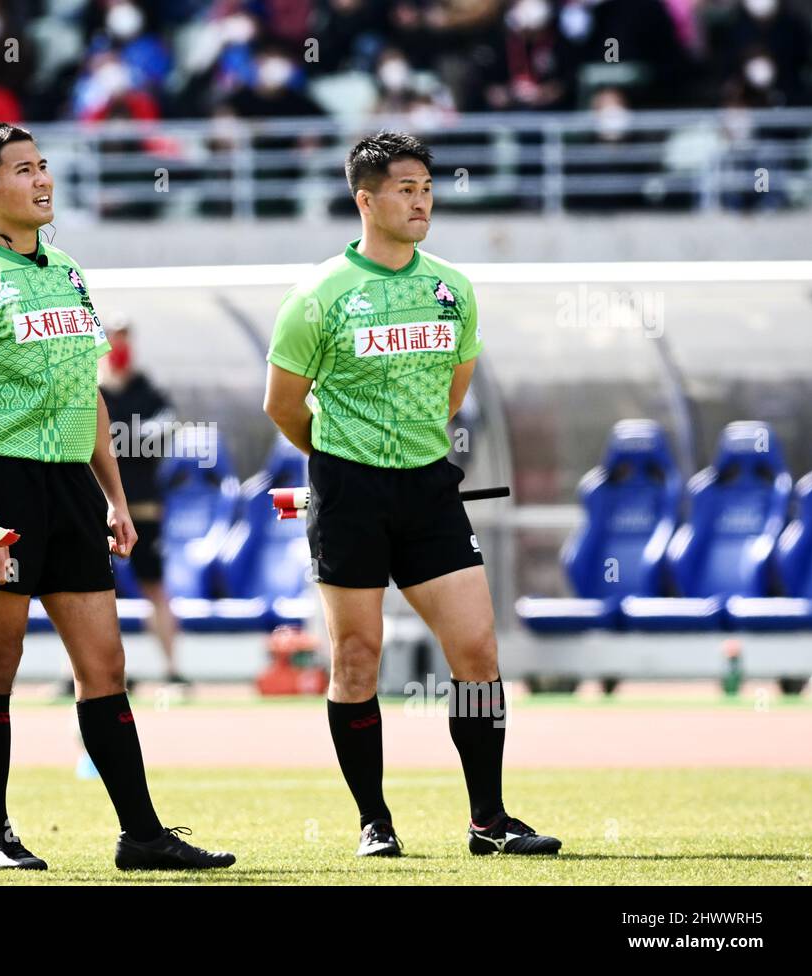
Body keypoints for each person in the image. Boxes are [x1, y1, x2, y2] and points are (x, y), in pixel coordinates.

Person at [263, 130, 562, 859]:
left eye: (427, 188)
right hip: (347, 491)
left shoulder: (452, 287)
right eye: (405, 188)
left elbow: (453, 391)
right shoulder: (320, 294)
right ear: (365, 200)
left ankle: (488, 821)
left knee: (477, 651)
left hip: (430, 489)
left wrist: (403, 454)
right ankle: (375, 822)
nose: (421, 200)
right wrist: (343, 465)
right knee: (358, 656)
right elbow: (283, 404)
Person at [0, 122, 235, 871]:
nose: (43, 179)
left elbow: (92, 396)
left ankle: (142, 837)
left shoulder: (70, 271)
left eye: (44, 166)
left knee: (104, 666)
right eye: (23, 170)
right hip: (3, 485)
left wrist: (110, 494)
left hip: (74, 488)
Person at [98, 322, 187, 688]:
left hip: (143, 506)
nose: (120, 347)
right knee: (86, 590)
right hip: (100, 506)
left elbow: (168, 423)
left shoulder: (148, 392)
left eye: (124, 339)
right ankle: (88, 672)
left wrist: (137, 434)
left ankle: (172, 670)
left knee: (155, 585)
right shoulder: (94, 390)